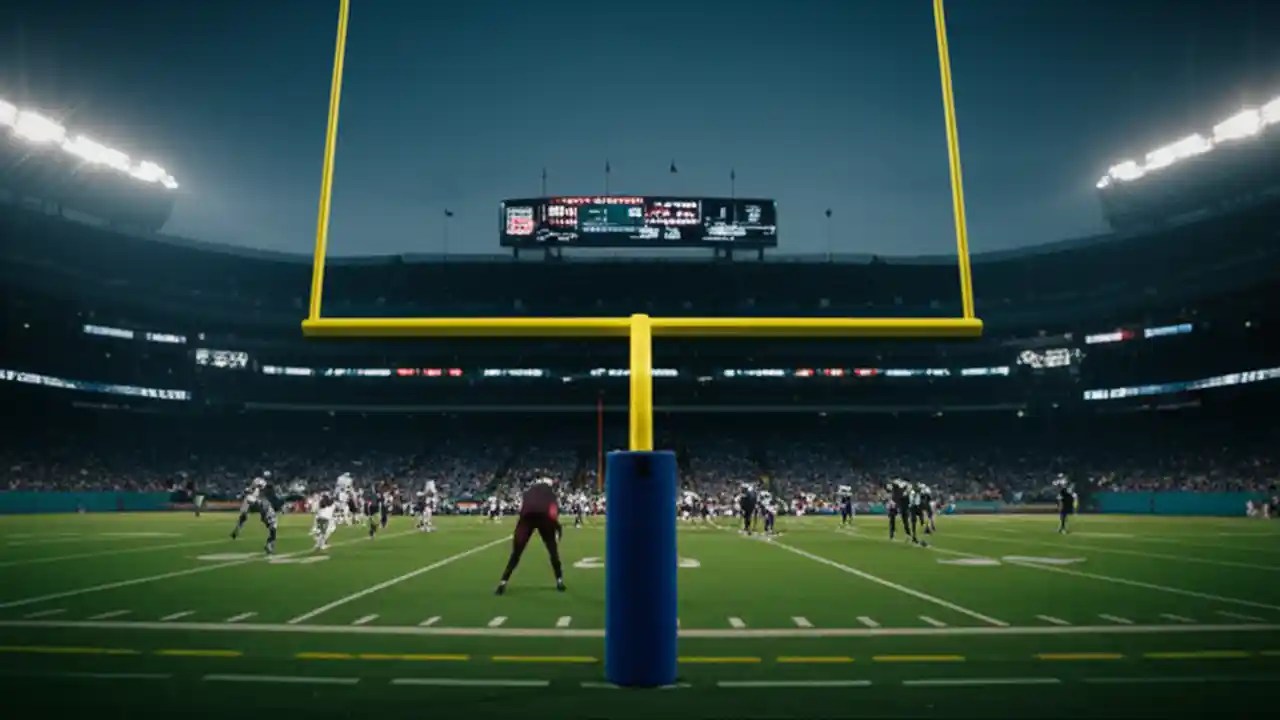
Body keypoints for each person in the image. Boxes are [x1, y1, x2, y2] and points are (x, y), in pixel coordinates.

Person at [495, 478, 566, 595]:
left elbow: (523, 511)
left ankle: (503, 581)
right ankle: (559, 580)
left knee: (516, 554)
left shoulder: (529, 492)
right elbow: (552, 512)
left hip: (527, 518)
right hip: (544, 518)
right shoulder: (550, 493)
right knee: (553, 551)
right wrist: (558, 527)